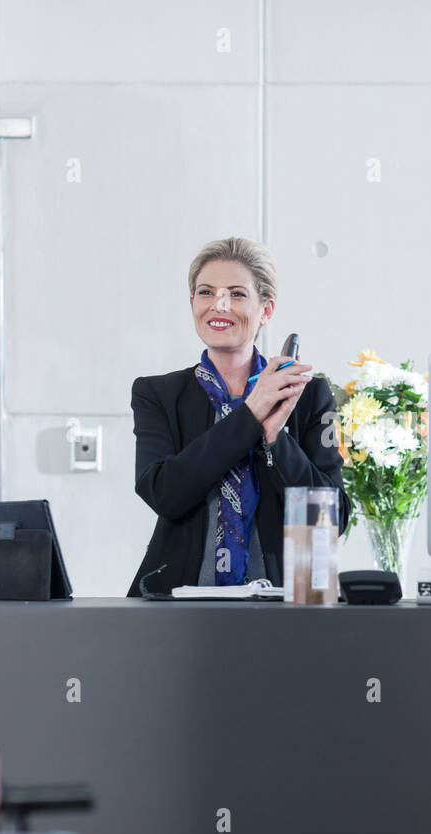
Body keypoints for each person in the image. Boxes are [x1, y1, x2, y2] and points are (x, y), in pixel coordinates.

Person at [128, 237, 350, 595]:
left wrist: (278, 439)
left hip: (285, 603)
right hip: (178, 603)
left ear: (266, 309)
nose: (219, 305)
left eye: (236, 294)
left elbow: (331, 521)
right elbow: (165, 494)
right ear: (192, 304)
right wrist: (251, 414)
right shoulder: (158, 394)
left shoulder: (308, 397)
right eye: (206, 292)